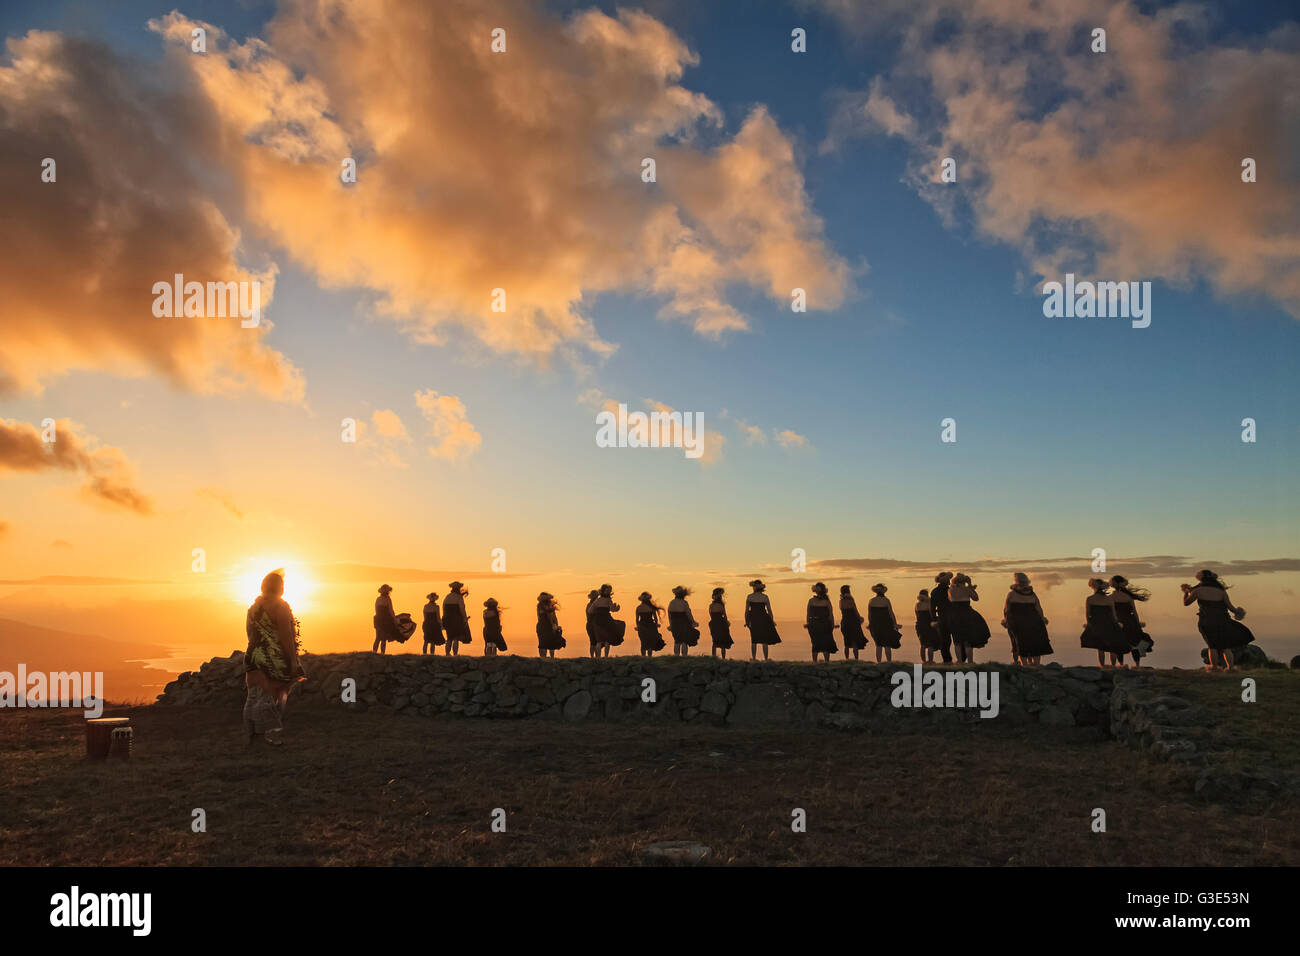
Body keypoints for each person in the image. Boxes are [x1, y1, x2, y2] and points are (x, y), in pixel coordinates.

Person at [243, 570, 306, 746]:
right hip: (274, 658)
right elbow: (286, 636)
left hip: (253, 656)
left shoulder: (253, 608)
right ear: (279, 588)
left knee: (253, 696)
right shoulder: (280, 606)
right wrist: (293, 661)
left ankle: (253, 735)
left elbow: (249, 632)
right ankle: (270, 735)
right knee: (274, 695)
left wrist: (257, 649)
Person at [1183, 569, 1254, 671]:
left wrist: (1186, 592)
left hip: (1206, 621)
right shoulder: (1221, 592)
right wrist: (1239, 612)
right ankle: (1230, 668)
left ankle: (1214, 667)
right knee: (1225, 646)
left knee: (1212, 646)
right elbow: (1231, 608)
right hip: (1223, 621)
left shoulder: (1197, 591)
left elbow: (1186, 603)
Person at [1001, 573, 1052, 665]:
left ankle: (1024, 664)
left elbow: (1006, 609)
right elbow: (1039, 609)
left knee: (1020, 642)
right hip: (1034, 621)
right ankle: (1036, 664)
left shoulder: (1011, 594)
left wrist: (1006, 620)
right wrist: (1042, 619)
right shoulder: (1032, 595)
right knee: (1036, 642)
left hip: (1018, 622)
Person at [1080, 578, 1127, 666]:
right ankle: (1113, 666)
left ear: (1094, 587)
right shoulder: (1109, 599)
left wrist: (1090, 625)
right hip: (1110, 624)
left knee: (1100, 647)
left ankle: (1102, 666)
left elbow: (1088, 614)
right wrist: (1117, 624)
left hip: (1097, 625)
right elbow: (1114, 614)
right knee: (1112, 647)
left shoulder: (1090, 599)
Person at [1110, 575, 1153, 668]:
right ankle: (1137, 665)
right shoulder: (1128, 596)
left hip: (1119, 622)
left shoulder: (1111, 597)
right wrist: (1137, 624)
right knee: (1134, 644)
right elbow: (1134, 611)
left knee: (1119, 644)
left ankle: (1121, 664)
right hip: (1131, 621)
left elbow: (1112, 613)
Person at [947, 573, 990, 664]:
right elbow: (976, 598)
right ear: (964, 581)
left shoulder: (950, 590)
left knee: (957, 640)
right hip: (967, 614)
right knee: (968, 640)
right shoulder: (966, 589)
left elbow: (950, 600)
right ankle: (970, 661)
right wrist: (970, 585)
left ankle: (959, 661)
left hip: (954, 615)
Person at [744, 579, 781, 660]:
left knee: (754, 639)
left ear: (754, 587)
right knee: (764, 640)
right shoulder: (765, 597)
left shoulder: (749, 597)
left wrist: (746, 621)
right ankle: (766, 659)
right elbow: (769, 610)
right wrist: (772, 620)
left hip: (753, 619)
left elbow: (746, 611)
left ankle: (753, 658)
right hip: (763, 619)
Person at [866, 583, 902, 662]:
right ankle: (889, 662)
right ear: (883, 591)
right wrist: (895, 624)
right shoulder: (886, 600)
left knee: (878, 645)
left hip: (875, 625)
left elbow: (869, 614)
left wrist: (870, 624)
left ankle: (878, 662)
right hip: (886, 624)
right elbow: (891, 613)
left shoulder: (871, 601)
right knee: (887, 644)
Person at [805, 582, 838, 662]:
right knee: (818, 642)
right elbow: (830, 614)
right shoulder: (820, 601)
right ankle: (820, 662)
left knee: (820, 642)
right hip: (818, 624)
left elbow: (830, 614)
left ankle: (820, 662)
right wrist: (808, 623)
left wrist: (832, 625)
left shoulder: (816, 601)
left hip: (821, 624)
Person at [591, 584, 626, 657]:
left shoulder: (597, 600)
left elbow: (590, 611)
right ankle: (605, 657)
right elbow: (612, 610)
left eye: (609, 590)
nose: (608, 592)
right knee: (607, 640)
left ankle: (598, 658)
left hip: (597, 620)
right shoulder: (608, 600)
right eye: (607, 590)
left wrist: (598, 612)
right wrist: (617, 608)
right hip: (606, 620)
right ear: (603, 591)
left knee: (599, 640)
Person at [667, 586, 701, 656]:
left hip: (674, 623)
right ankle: (684, 657)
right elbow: (689, 614)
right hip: (684, 623)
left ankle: (676, 657)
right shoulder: (684, 603)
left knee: (677, 641)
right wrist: (693, 622)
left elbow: (669, 615)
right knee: (684, 641)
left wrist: (671, 624)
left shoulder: (671, 603)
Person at [931, 572, 954, 663]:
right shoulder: (950, 590)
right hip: (952, 616)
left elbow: (932, 607)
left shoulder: (934, 591)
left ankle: (947, 659)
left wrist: (934, 618)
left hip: (942, 617)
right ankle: (960, 659)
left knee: (945, 640)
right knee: (957, 639)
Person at [839, 585, 867, 660]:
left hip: (845, 621)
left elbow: (842, 610)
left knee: (846, 642)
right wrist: (860, 618)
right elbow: (855, 611)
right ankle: (856, 659)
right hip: (853, 622)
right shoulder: (851, 600)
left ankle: (847, 659)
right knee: (855, 642)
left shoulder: (841, 601)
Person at [443, 582, 472, 656]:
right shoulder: (459, 597)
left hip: (447, 619)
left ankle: (447, 654)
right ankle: (455, 654)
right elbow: (462, 609)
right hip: (456, 620)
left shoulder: (447, 596)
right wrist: (465, 618)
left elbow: (443, 609)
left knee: (449, 638)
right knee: (456, 638)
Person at [635, 592, 667, 656]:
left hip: (642, 626)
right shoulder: (651, 607)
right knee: (650, 643)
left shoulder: (638, 608)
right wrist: (656, 624)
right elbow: (655, 618)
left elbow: (637, 619)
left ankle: (643, 657)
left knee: (643, 642)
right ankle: (650, 657)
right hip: (650, 626)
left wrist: (638, 626)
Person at [535, 592, 566, 658]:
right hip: (543, 626)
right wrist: (555, 625)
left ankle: (548, 657)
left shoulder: (548, 607)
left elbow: (554, 617)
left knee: (548, 642)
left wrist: (556, 625)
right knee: (544, 642)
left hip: (545, 626)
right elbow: (552, 617)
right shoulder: (541, 606)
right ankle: (544, 657)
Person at [915, 589, 941, 663]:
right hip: (929, 624)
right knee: (930, 644)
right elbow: (931, 614)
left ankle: (923, 661)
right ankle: (930, 661)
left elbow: (917, 616)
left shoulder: (917, 605)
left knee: (923, 644)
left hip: (920, 625)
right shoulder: (929, 603)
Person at [708, 588, 734, 658]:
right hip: (721, 624)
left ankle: (713, 657)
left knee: (715, 640)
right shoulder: (721, 605)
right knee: (723, 641)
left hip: (713, 624)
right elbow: (725, 615)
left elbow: (710, 615)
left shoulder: (711, 605)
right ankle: (723, 658)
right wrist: (727, 623)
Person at [373, 583, 398, 654]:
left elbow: (376, 610)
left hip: (378, 619)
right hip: (385, 620)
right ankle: (382, 653)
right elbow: (391, 610)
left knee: (377, 638)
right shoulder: (387, 599)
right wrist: (394, 619)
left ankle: (374, 653)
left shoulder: (378, 599)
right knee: (383, 638)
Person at [585, 589, 601, 658]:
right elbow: (589, 614)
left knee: (594, 642)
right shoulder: (590, 605)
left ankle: (595, 657)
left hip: (592, 624)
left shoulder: (590, 604)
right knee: (594, 641)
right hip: (592, 624)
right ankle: (594, 656)